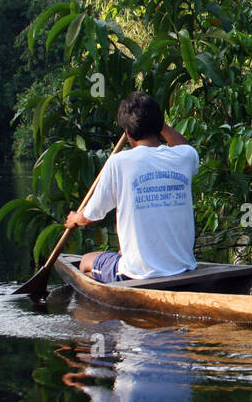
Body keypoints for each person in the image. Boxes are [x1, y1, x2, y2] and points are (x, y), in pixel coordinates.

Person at [64, 92, 199, 282]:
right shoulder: (185, 157)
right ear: (159, 125)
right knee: (119, 253)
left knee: (86, 261)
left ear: (127, 133)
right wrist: (159, 124)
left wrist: (75, 219)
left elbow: (91, 216)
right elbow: (185, 147)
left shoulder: (119, 162)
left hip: (136, 274)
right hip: (183, 268)